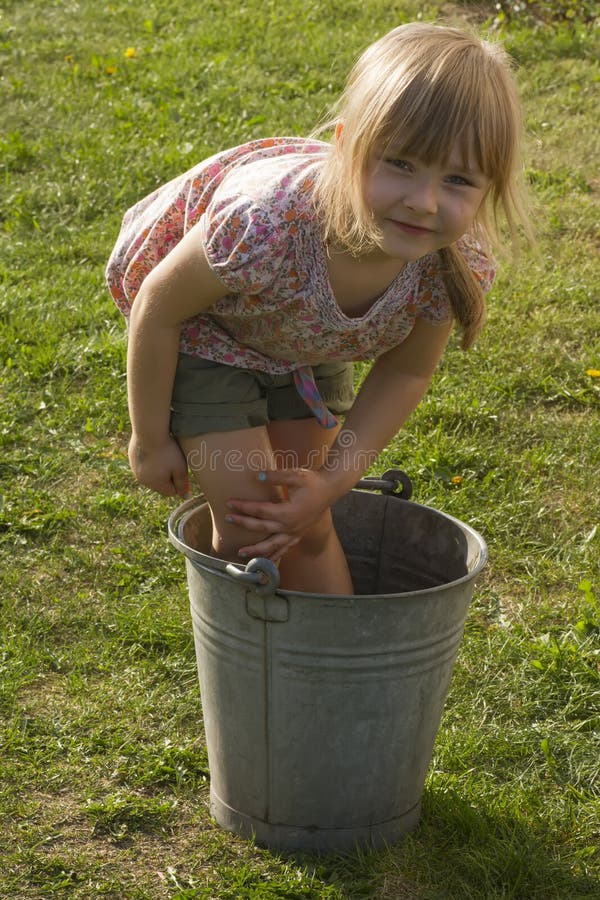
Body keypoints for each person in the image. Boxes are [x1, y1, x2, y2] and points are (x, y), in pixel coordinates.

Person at [107, 22, 530, 593]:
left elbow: (406, 371)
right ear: (344, 144)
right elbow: (158, 305)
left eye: (457, 179)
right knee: (249, 531)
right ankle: (257, 675)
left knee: (302, 521)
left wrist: (331, 483)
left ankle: (345, 675)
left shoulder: (451, 263)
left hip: (307, 351)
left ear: (490, 188)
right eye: (399, 163)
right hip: (213, 340)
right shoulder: (266, 224)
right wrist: (150, 438)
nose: (423, 202)